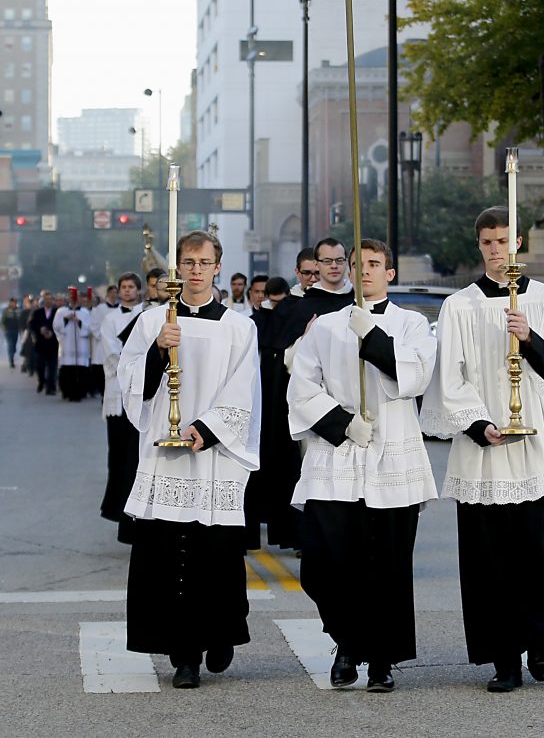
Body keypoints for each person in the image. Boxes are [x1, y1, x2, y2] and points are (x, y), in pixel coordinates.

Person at [421, 206, 544, 693]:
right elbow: (448, 377)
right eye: (488, 242)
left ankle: (541, 640)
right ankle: (504, 658)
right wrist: (479, 424)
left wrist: (531, 338)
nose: (496, 250)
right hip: (486, 452)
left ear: (518, 243)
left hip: (539, 447)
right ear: (479, 246)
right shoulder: (460, 306)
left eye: (503, 241)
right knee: (491, 561)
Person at [287, 238, 437, 693]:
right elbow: (301, 386)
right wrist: (341, 423)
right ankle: (347, 639)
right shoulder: (325, 327)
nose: (365, 270)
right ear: (349, 271)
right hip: (338, 451)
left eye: (374, 264)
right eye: (359, 264)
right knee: (323, 562)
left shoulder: (411, 323)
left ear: (389, 273)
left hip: (392, 453)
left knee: (386, 563)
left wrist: (371, 335)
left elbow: (416, 375)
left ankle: (380, 660)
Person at [117, 230, 261, 689]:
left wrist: (209, 429)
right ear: (177, 268)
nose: (196, 270)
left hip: (215, 453)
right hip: (167, 452)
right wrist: (158, 350)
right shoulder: (152, 322)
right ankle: (184, 656)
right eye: (188, 262)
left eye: (204, 262)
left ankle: (220, 634)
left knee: (215, 555)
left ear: (218, 267)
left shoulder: (239, 326)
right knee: (168, 556)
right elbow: (128, 383)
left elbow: (245, 388)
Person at [245, 275, 302, 551]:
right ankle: (247, 535)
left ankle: (291, 533)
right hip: (256, 403)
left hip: (285, 405)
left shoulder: (294, 319)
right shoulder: (253, 323)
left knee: (288, 471)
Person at [99, 272, 143, 545]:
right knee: (118, 456)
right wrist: (132, 366)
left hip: (140, 392)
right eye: (123, 287)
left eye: (131, 287)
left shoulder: (146, 316)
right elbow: (111, 352)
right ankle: (117, 508)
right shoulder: (110, 319)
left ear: (138, 290)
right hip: (117, 391)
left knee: (135, 457)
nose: (127, 291)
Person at [53, 289, 92, 401]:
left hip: (81, 345)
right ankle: (67, 392)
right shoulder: (61, 311)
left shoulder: (85, 312)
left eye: (77, 297)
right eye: (72, 297)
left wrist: (79, 322)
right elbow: (56, 326)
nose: (75, 299)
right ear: (68, 299)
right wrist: (66, 319)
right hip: (67, 344)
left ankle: (80, 392)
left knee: (81, 370)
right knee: (67, 370)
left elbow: (89, 328)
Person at [89, 285, 119, 397]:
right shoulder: (100, 309)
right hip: (102, 343)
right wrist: (103, 336)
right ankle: (103, 393)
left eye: (115, 292)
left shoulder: (121, 308)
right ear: (108, 294)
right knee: (101, 371)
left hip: (117, 343)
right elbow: (94, 325)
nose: (113, 294)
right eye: (111, 292)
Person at [29, 290, 58, 395]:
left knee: (52, 367)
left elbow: (60, 326)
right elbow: (31, 325)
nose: (48, 301)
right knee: (40, 366)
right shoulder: (37, 312)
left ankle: (51, 387)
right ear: (43, 300)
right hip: (40, 344)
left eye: (50, 299)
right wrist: (40, 329)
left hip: (53, 344)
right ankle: (42, 381)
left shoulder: (57, 312)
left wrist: (52, 333)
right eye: (46, 299)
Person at [1, 297, 20, 368]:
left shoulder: (18, 310)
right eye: (13, 302)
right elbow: (2, 321)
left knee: (14, 345)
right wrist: (4, 328)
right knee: (10, 344)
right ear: (10, 303)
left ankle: (12, 353)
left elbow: (20, 319)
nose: (14, 304)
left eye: (15, 302)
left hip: (16, 330)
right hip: (8, 330)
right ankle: (11, 359)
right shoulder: (6, 311)